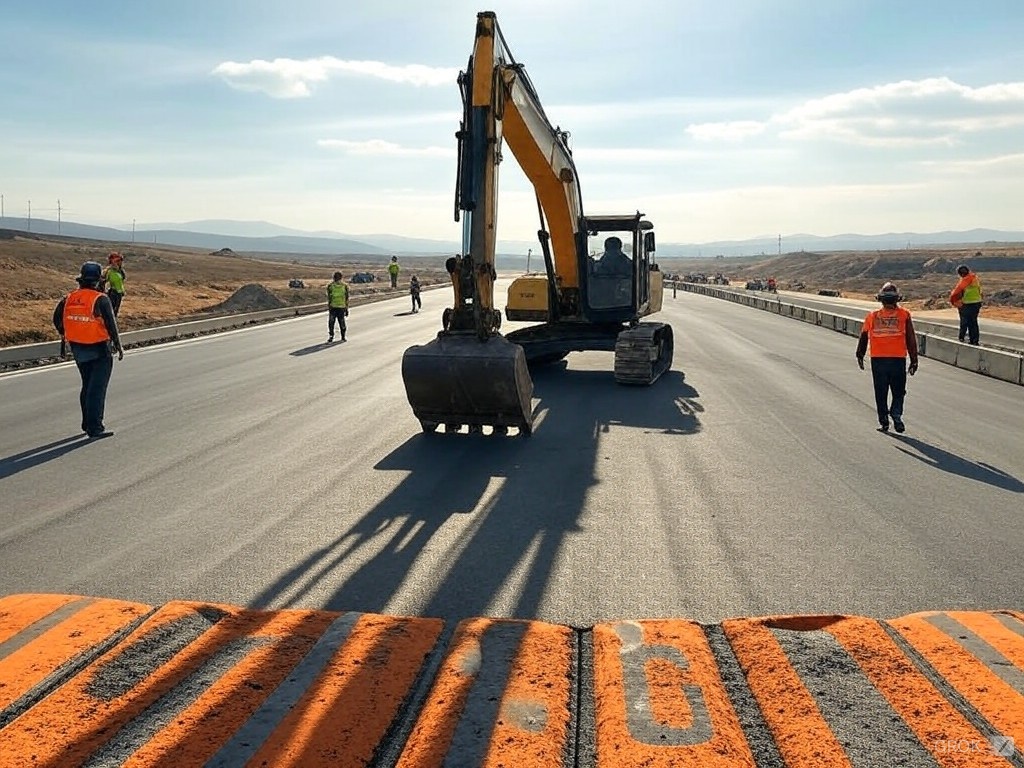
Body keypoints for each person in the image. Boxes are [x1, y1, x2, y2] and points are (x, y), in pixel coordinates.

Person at [52, 261, 124, 439]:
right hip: (99, 348)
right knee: (97, 388)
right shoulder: (100, 299)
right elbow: (111, 324)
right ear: (98, 280)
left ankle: (87, 423)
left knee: (87, 385)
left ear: (81, 279)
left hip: (78, 347)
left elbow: (56, 319)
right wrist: (118, 345)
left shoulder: (68, 298)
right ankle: (94, 427)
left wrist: (66, 332)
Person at [856, 282, 919, 433]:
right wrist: (914, 359)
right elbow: (911, 338)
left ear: (881, 299)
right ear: (897, 299)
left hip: (878, 360)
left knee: (881, 391)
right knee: (899, 391)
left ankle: (884, 421)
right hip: (897, 360)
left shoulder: (872, 316)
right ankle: (896, 414)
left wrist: (860, 354)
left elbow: (863, 337)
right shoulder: (904, 315)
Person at [949, 260, 983, 345]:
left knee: (964, 322)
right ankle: (974, 340)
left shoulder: (965, 280)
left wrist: (953, 300)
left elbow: (956, 292)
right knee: (973, 322)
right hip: (977, 303)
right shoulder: (974, 278)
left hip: (967, 304)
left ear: (961, 274)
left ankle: (961, 337)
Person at [326, 271, 349, 343]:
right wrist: (346, 308)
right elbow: (346, 298)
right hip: (339, 307)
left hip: (336, 307)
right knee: (339, 322)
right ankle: (340, 336)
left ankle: (334, 336)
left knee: (333, 322)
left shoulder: (332, 286)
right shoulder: (343, 286)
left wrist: (329, 305)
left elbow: (329, 297)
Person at [102, 252, 126, 316]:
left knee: (115, 312)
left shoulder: (120, 271)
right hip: (113, 293)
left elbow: (122, 279)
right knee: (111, 312)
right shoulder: (109, 271)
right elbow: (102, 281)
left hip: (119, 294)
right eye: (118, 261)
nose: (121, 263)